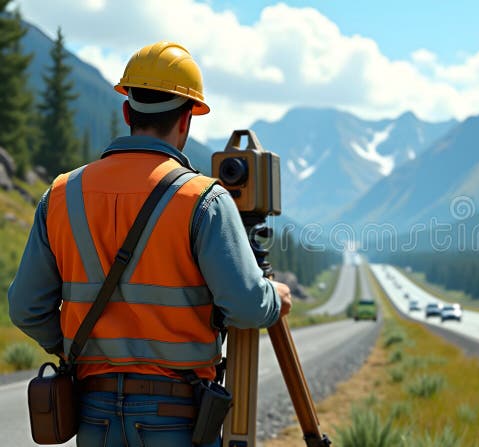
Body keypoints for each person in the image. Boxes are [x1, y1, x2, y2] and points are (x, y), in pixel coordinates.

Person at [8, 41, 292, 446]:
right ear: (187, 118)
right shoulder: (202, 200)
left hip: (93, 412)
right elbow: (246, 306)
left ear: (127, 111)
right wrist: (274, 297)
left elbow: (25, 308)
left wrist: (74, 345)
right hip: (177, 416)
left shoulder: (62, 194)